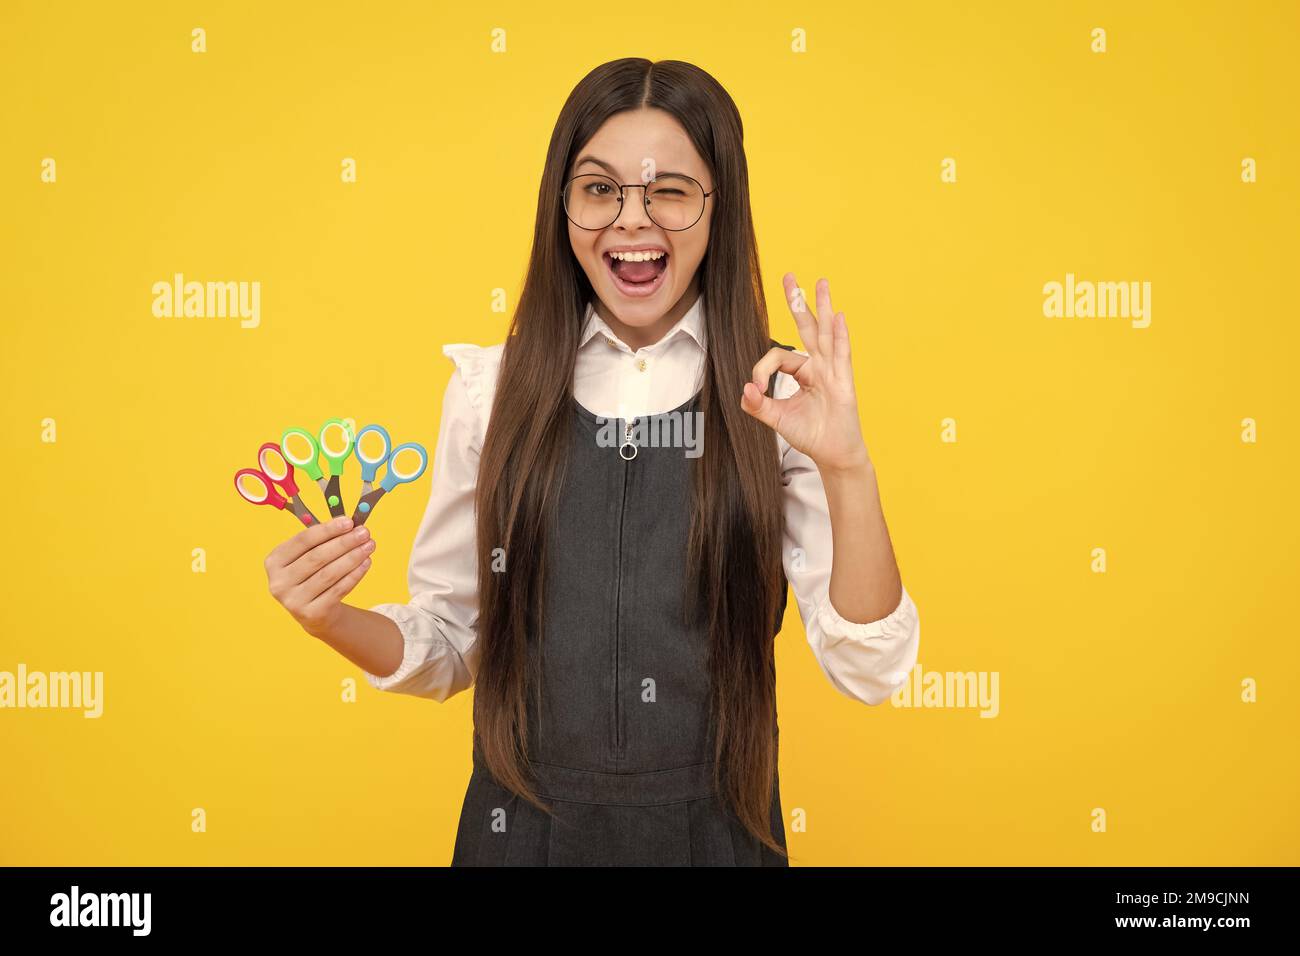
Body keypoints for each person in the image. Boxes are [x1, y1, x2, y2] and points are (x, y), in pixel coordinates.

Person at [263, 57, 920, 866]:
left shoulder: (779, 399)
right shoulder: (488, 391)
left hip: (717, 841)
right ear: (563, 205)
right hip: (521, 839)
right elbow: (449, 643)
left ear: (721, 208)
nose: (632, 221)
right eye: (600, 189)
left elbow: (872, 667)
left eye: (670, 191)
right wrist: (329, 619)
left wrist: (849, 466)